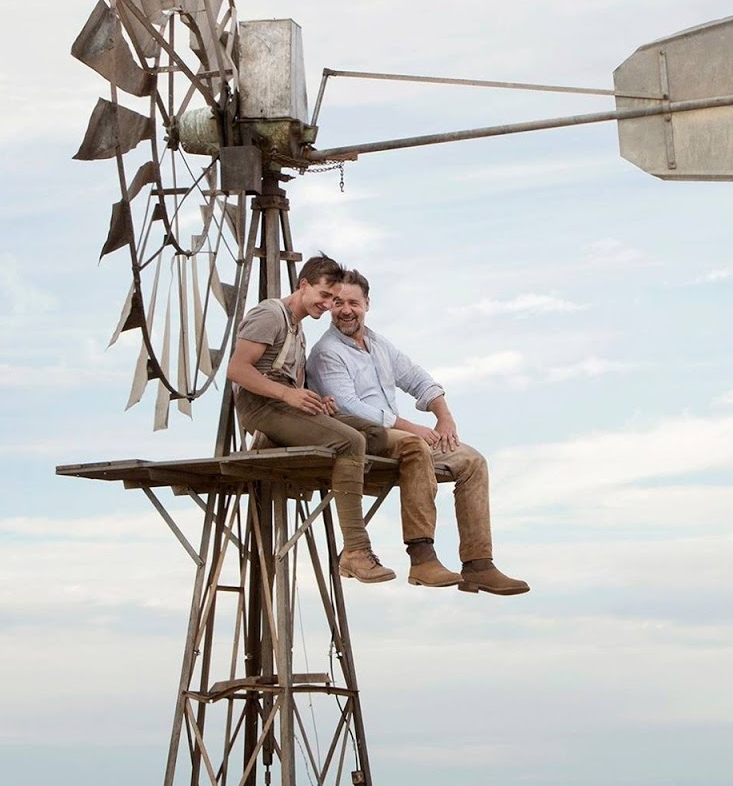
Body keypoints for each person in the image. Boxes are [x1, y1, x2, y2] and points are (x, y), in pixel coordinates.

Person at [307, 269, 528, 596]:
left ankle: (479, 564)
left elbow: (417, 378)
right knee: (414, 445)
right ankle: (422, 558)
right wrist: (411, 427)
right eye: (337, 302)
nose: (345, 309)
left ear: (367, 304)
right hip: (355, 438)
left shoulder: (379, 344)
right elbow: (349, 406)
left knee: (472, 462)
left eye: (353, 302)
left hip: (393, 433)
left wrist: (444, 417)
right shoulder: (328, 351)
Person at [224, 254, 398, 584]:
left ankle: (280, 442)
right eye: (324, 296)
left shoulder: (297, 326)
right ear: (304, 285)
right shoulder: (269, 314)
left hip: (283, 406)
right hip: (262, 408)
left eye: (333, 299)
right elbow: (237, 369)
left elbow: (291, 381)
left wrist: (315, 398)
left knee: (374, 435)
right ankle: (356, 551)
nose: (327, 304)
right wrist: (289, 395)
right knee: (351, 441)